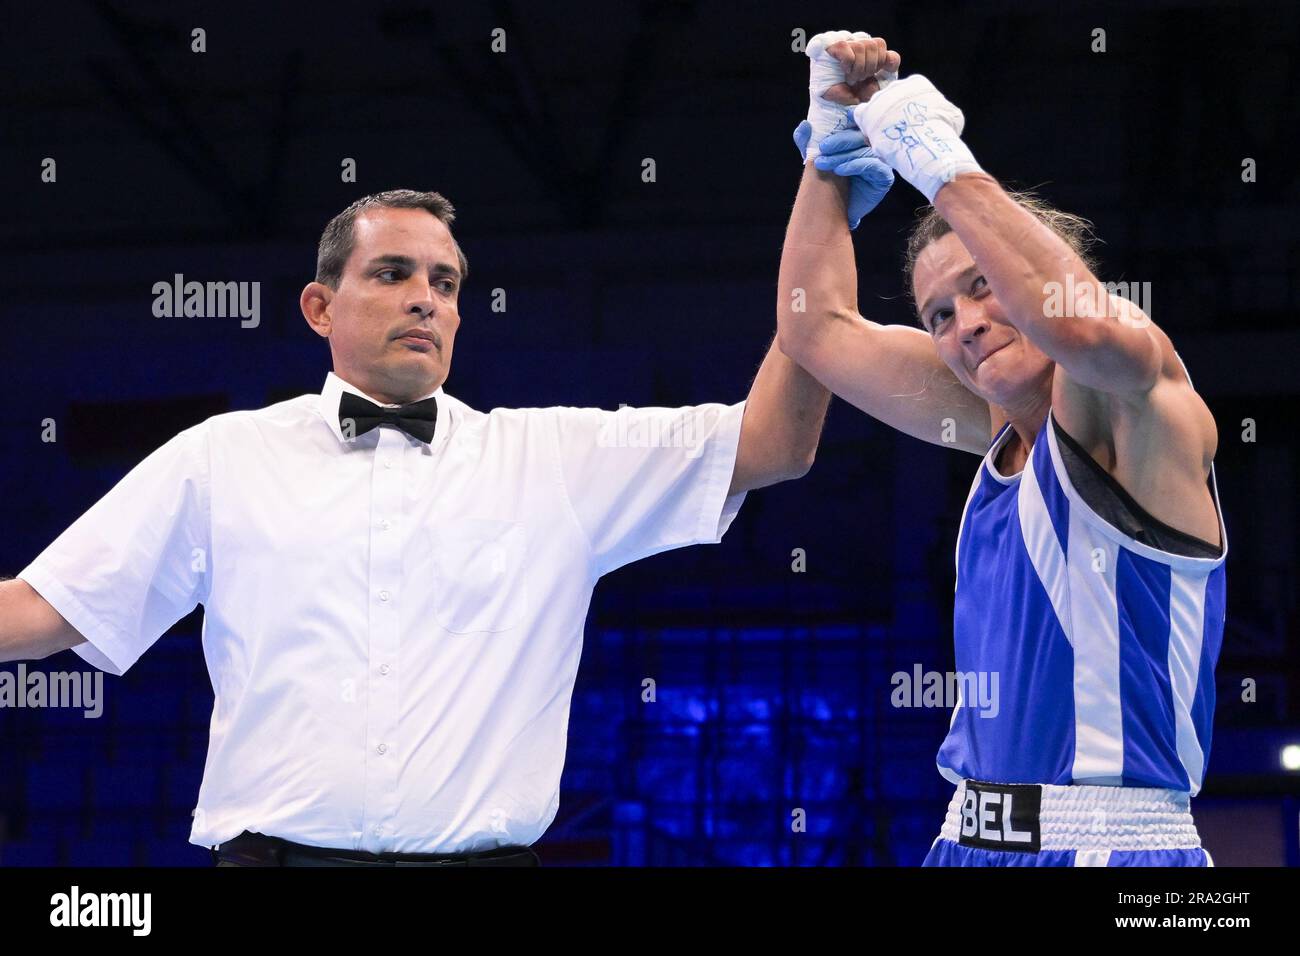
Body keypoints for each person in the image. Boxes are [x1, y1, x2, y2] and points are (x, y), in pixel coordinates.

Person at [0, 188, 832, 867]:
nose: (423, 299)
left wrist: (825, 199)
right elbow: (40, 613)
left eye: (444, 283)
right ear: (320, 307)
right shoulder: (223, 457)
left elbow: (775, 443)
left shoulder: (553, 460)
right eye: (393, 273)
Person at [779, 33, 1225, 866]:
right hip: (964, 839)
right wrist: (827, 155)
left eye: (982, 286)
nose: (966, 325)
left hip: (1120, 852)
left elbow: (1081, 323)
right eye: (939, 314)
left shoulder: (1142, 402)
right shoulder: (991, 422)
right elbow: (812, 329)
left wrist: (944, 166)